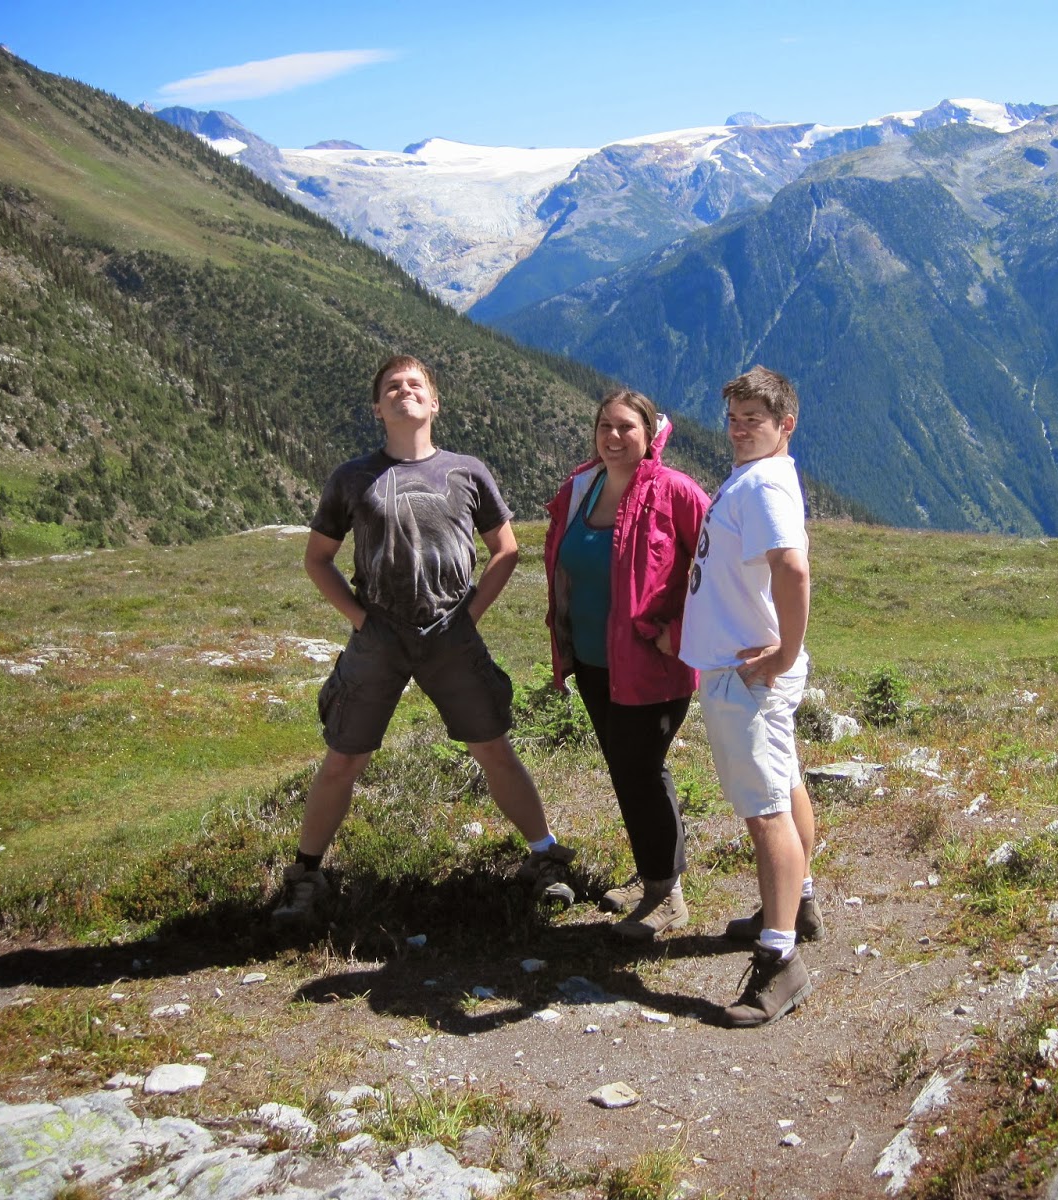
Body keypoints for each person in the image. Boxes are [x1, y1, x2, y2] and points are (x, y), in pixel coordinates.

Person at [273, 354, 573, 927]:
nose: (404, 392)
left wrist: (470, 616)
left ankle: (545, 855)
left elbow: (505, 550)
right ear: (377, 408)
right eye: (392, 387)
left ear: (434, 403)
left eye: (415, 385)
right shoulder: (352, 478)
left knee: (493, 749)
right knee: (343, 759)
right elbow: (318, 559)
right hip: (380, 636)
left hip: (449, 633)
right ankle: (306, 875)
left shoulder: (466, 471)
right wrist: (362, 621)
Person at [680, 365, 821, 1028]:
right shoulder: (763, 475)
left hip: (748, 675)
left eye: (753, 422)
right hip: (750, 668)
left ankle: (779, 959)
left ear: (785, 424)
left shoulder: (764, 481)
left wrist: (785, 653)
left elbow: (793, 567)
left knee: (764, 813)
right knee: (786, 787)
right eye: (733, 420)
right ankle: (798, 904)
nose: (737, 432)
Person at [543, 390, 709, 940]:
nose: (613, 437)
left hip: (652, 665)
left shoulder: (675, 491)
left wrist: (680, 634)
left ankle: (669, 896)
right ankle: (653, 877)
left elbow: (720, 574)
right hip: (593, 662)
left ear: (649, 433)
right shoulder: (579, 490)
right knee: (624, 770)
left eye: (625, 428)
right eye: (604, 427)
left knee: (641, 769)